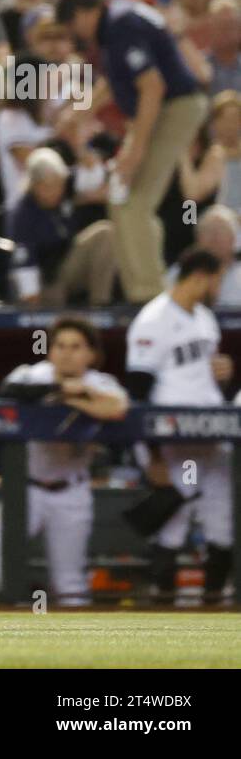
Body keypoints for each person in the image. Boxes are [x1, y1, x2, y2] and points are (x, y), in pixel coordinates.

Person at [55, 0, 209, 303]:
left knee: (135, 201)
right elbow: (116, 80)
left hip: (173, 108)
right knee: (121, 199)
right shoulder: (117, 24)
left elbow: (152, 87)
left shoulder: (121, 24)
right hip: (165, 108)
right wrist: (80, 112)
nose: (76, 34)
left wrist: (135, 150)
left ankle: (151, 297)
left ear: (84, 13)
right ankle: (139, 290)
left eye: (72, 25)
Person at [0, 317, 130, 605]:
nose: (66, 352)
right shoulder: (31, 374)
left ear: (92, 354)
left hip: (71, 490)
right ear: (50, 350)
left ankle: (78, 648)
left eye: (76, 346)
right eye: (60, 345)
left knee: (70, 585)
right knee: (5, 574)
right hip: (24, 490)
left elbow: (118, 408)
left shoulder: (99, 382)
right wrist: (63, 391)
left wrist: (74, 396)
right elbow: (6, 393)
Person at [125, 247, 233, 604]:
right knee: (175, 519)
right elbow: (138, 391)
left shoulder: (205, 318)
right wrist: (152, 456)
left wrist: (225, 375)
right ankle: (163, 602)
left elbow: (206, 379)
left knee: (221, 521)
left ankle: (216, 599)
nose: (218, 286)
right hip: (174, 438)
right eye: (216, 278)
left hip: (212, 435)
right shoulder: (153, 319)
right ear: (201, 277)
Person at [7, 147, 118, 306]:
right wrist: (31, 295)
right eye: (49, 186)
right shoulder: (23, 213)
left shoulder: (66, 189)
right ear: (35, 185)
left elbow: (92, 179)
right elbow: (24, 258)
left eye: (59, 185)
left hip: (68, 263)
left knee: (105, 232)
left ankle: (100, 304)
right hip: (45, 277)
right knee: (51, 297)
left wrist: (91, 163)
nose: (56, 191)